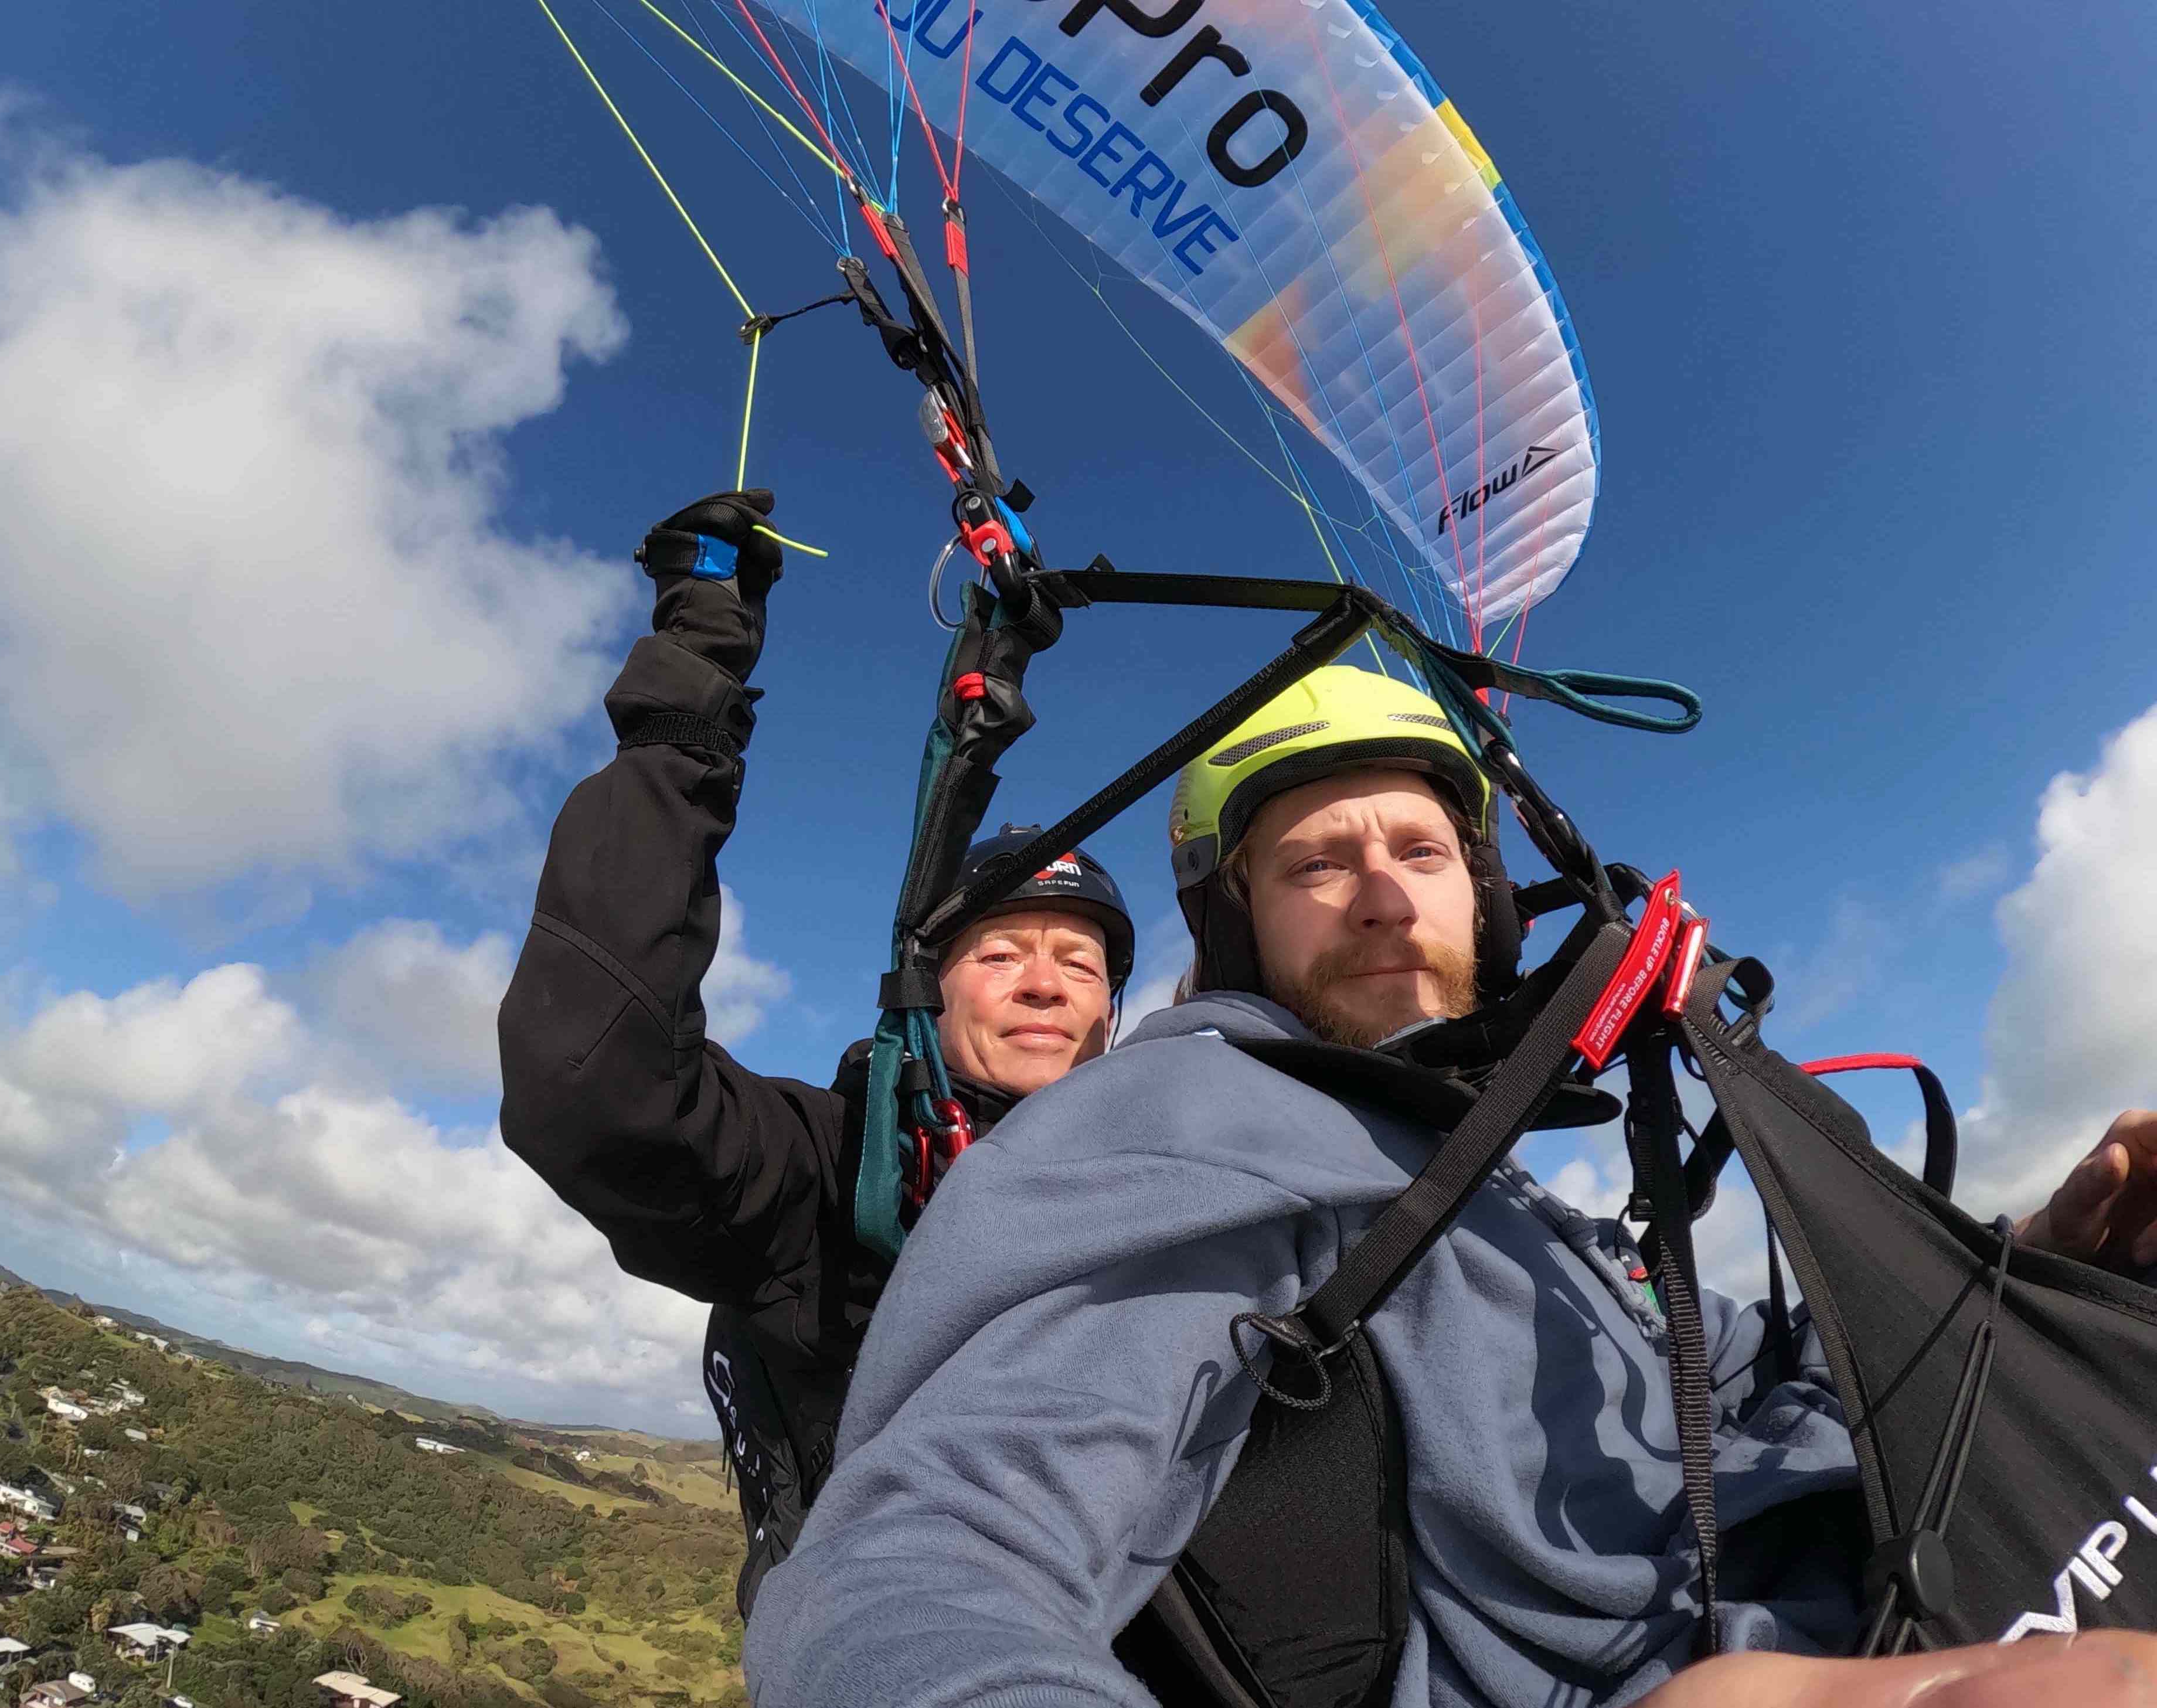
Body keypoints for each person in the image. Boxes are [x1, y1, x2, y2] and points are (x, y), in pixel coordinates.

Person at [741, 664, 2157, 1708]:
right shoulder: (1182, 1120)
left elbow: (1742, 1370)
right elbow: (912, 1575)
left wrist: (2035, 1263)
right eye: (1316, 862)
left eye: (1419, 849)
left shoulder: (1462, 1155)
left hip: (1907, 1527)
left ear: (1479, 894)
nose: (1380, 892)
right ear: (1236, 921)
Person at [496, 489, 1135, 1614]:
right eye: (1000, 954)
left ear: (1116, 1015)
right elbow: (594, 1082)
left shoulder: (1169, 1192)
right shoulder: (826, 1173)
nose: (1044, 982)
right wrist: (687, 699)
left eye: (1079, 965)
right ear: (929, 992)